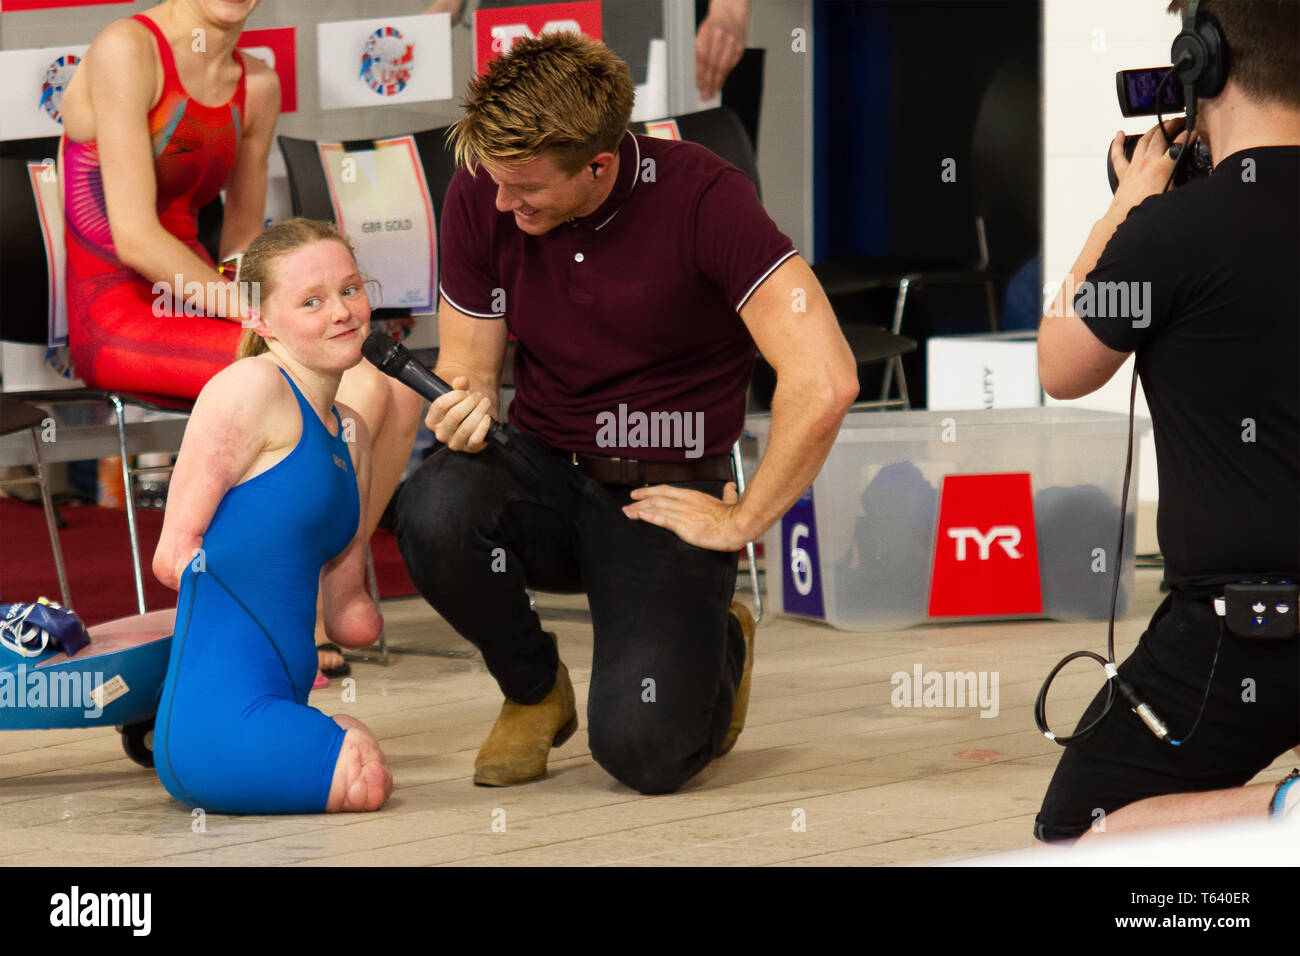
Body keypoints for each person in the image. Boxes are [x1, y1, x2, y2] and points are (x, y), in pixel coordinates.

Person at [396, 33, 857, 793]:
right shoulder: (483, 186)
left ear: (599, 165)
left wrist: (742, 522)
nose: (503, 204)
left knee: (644, 755)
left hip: (660, 494)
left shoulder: (707, 198)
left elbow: (827, 376)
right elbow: (467, 368)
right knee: (434, 506)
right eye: (496, 184)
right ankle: (534, 691)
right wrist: (463, 402)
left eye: (527, 190)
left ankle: (722, 643)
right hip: (542, 466)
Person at [60, 1, 425, 679]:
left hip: (204, 300)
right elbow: (137, 237)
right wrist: (262, 311)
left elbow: (241, 250)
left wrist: (269, 299)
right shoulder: (128, 50)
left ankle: (323, 591)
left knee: (395, 396)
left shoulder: (256, 83)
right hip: (115, 315)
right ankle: (298, 623)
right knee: (357, 385)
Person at [1034, 0, 1299, 843]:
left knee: (1076, 836)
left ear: (1203, 61)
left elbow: (1061, 364)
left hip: (1247, 630)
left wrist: (1131, 204)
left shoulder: (1169, 234)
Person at [150, 218, 392, 814]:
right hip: (216, 726)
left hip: (282, 704)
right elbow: (172, 557)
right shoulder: (247, 388)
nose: (341, 312)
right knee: (365, 783)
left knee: (361, 765)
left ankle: (323, 735)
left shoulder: (350, 432)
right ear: (259, 317)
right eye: (311, 301)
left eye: (350, 290)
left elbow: (349, 617)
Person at [423, 0, 750, 101]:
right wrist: (444, 7)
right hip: (520, 19)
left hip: (641, 21)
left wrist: (730, 10)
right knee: (522, 178)